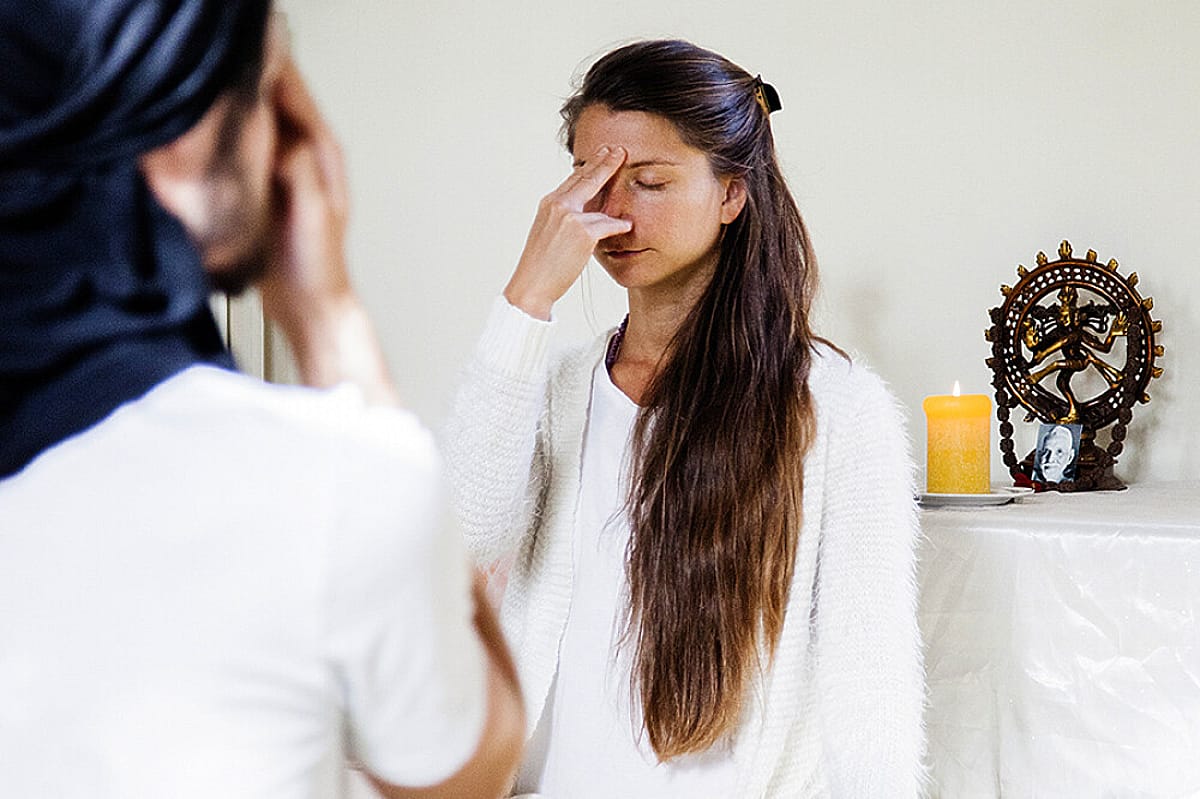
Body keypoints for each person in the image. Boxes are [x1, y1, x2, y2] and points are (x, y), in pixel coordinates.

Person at [0, 2, 522, 797]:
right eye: (270, 91)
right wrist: (329, 320)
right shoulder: (327, 484)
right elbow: (470, 765)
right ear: (184, 138)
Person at [444, 39, 926, 797]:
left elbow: (870, 679)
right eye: (591, 177)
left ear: (732, 195)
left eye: (649, 181)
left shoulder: (838, 409)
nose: (613, 210)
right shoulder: (564, 388)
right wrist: (527, 298)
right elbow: (467, 534)